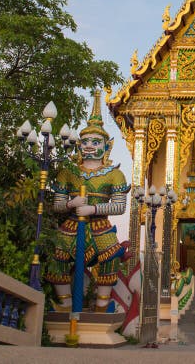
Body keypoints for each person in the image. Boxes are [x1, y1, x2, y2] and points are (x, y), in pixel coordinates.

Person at [46, 91, 130, 312]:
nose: (90, 145)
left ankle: (102, 305)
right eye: (85, 142)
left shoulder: (114, 174)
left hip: (100, 225)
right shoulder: (68, 172)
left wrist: (93, 208)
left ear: (106, 146)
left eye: (96, 141)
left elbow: (120, 206)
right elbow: (57, 204)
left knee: (111, 257)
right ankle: (65, 305)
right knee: (58, 258)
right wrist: (71, 205)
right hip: (72, 224)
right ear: (78, 145)